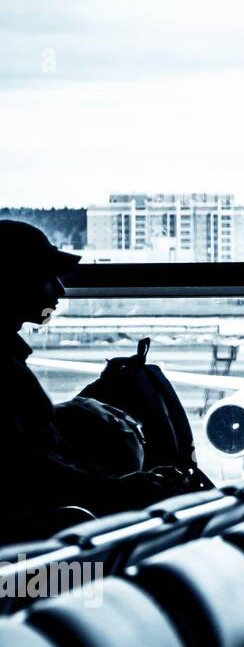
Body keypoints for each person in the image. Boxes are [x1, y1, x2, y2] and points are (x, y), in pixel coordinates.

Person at [0, 220, 192, 530]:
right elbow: (29, 473)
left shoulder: (8, 360)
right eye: (46, 278)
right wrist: (120, 490)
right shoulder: (3, 368)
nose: (60, 289)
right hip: (46, 536)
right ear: (12, 282)